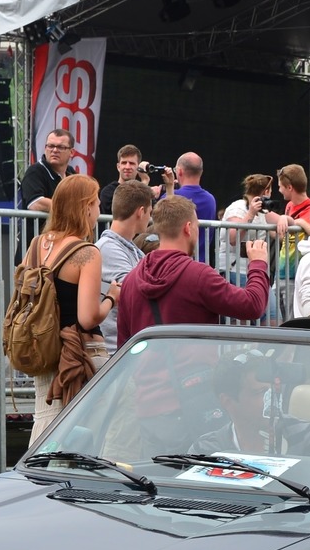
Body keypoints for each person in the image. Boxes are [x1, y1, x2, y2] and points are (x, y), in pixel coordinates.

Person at [20, 174, 111, 445]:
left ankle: (35, 479)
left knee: (46, 421)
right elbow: (87, 316)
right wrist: (112, 300)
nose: (99, 211)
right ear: (84, 206)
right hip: (82, 354)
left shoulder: (36, 246)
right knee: (101, 430)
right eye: (95, 203)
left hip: (44, 350)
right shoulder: (87, 252)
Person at [115, 195, 271, 343]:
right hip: (194, 370)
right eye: (197, 226)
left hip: (143, 370)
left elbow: (124, 342)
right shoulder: (199, 276)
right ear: (188, 228)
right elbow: (252, 306)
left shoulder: (131, 279)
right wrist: (257, 264)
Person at [191, 355, 310, 460]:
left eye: (274, 390)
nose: (272, 399)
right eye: (260, 392)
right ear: (227, 401)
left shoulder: (308, 437)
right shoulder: (206, 450)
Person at [98, 181, 154, 343]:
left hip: (125, 347)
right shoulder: (108, 249)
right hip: (114, 351)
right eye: (149, 212)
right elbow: (137, 294)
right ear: (141, 212)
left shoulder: (131, 250)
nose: (150, 219)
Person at [219, 173, 286, 280]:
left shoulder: (262, 212)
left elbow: (290, 223)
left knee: (269, 297)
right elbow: (232, 238)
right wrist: (250, 214)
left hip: (255, 270)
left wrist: (284, 218)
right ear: (266, 192)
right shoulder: (237, 207)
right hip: (235, 270)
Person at [19, 129, 72, 213]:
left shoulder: (71, 173)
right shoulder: (35, 172)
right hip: (42, 226)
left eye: (60, 147)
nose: (54, 150)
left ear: (71, 152)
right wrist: (72, 210)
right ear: (45, 148)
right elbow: (36, 203)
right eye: (50, 146)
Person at [98, 145, 161, 213]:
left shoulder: (146, 191)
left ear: (138, 167)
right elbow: (123, 213)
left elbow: (156, 215)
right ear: (118, 167)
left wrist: (170, 185)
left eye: (132, 163)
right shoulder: (108, 192)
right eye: (124, 163)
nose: (127, 167)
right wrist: (144, 182)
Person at [171, 152, 217, 223]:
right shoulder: (210, 199)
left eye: (175, 170)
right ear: (201, 172)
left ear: (180, 171)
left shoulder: (171, 197)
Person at [274, 163, 310, 228]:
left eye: (280, 186)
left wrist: (299, 222)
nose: (279, 190)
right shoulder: (289, 205)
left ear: (289, 188)